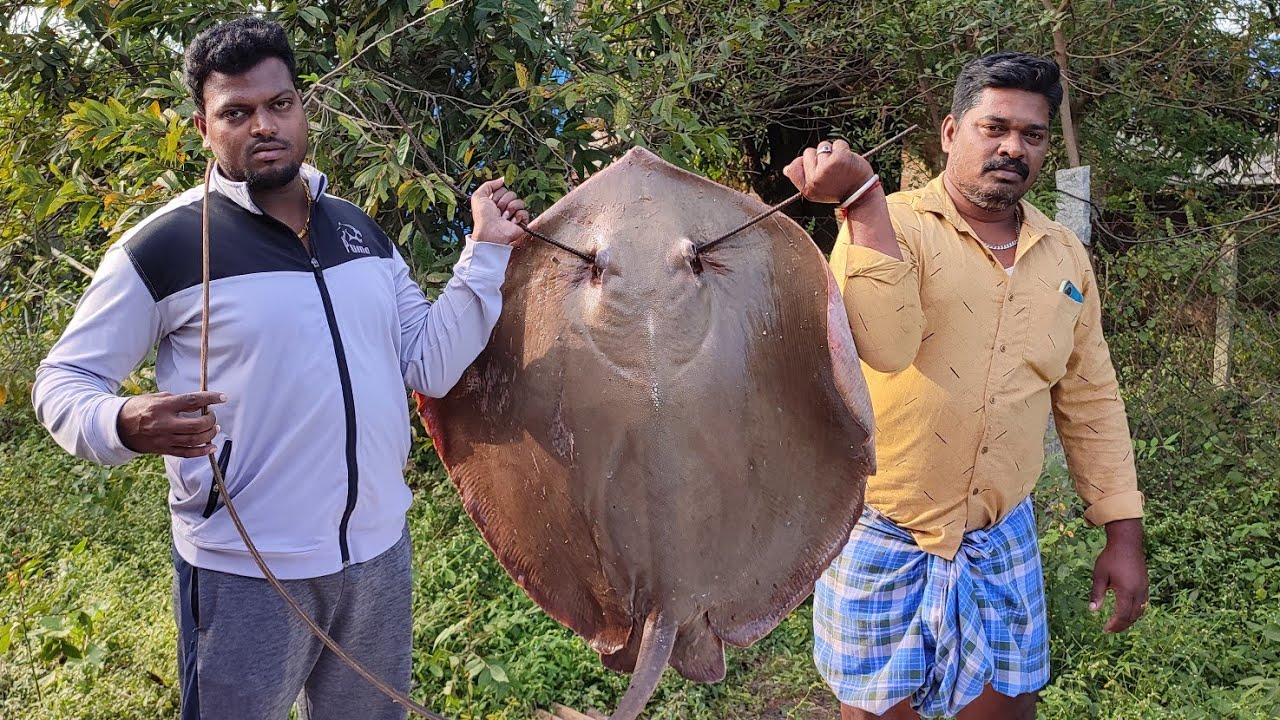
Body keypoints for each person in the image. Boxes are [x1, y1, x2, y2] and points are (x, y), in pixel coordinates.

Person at [31, 17, 528, 720]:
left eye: (280, 104)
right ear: (204, 127)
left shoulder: (361, 233)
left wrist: (485, 252)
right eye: (237, 112)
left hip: (379, 557)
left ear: (303, 110)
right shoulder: (167, 247)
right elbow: (60, 383)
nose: (263, 125)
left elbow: (431, 362)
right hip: (244, 573)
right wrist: (121, 420)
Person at [783, 52, 1149, 719]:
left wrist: (1122, 532)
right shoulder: (887, 226)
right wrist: (862, 199)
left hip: (998, 538)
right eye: (995, 127)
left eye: (1033, 135)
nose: (1014, 147)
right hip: (881, 536)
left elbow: (1090, 397)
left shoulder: (1065, 256)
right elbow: (886, 351)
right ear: (951, 132)